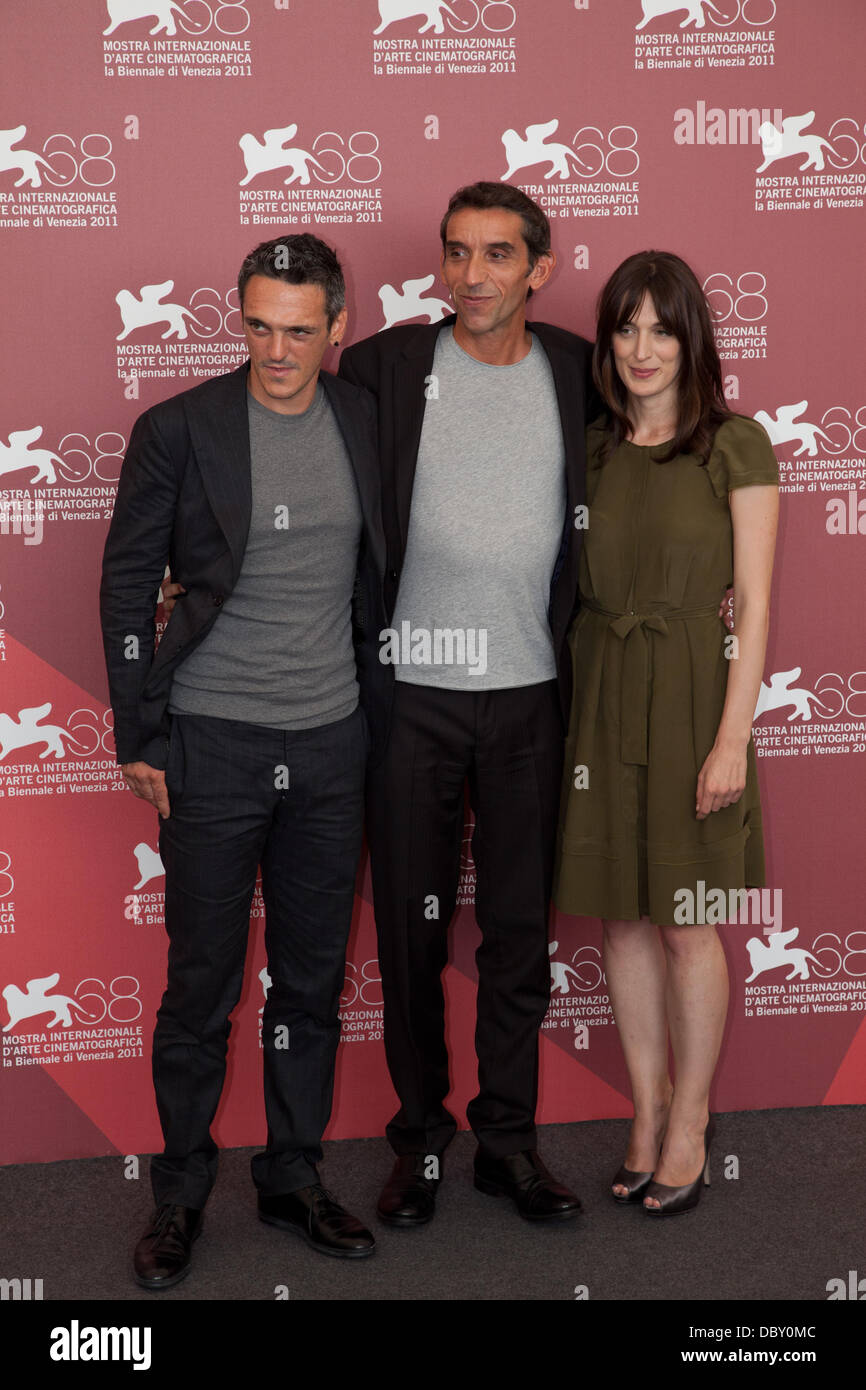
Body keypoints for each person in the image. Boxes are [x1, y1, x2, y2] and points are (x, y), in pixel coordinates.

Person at [100, 233, 387, 1286]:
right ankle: (177, 1196)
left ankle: (292, 1175)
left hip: (331, 741)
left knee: (308, 983)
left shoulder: (364, 417)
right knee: (200, 989)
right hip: (212, 742)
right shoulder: (178, 428)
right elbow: (128, 583)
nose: (275, 349)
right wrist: (139, 732)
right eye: (258, 325)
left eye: (299, 330)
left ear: (337, 327)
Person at [338, 182, 593, 1225]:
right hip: (410, 699)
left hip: (530, 698)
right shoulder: (386, 368)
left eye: (496, 255)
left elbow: (664, 464)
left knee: (518, 933)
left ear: (538, 269)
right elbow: (301, 473)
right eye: (456, 253)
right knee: (410, 930)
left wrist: (715, 575)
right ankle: (421, 1144)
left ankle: (507, 1142)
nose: (471, 275)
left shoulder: (580, 369)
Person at [554, 250, 779, 1216]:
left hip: (693, 695)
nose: (643, 348)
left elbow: (758, 609)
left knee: (689, 924)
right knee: (622, 920)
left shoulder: (737, 444)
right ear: (608, 339)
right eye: (626, 326)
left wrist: (731, 739)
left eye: (663, 327)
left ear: (693, 338)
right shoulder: (590, 447)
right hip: (600, 691)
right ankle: (643, 1113)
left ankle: (691, 1121)